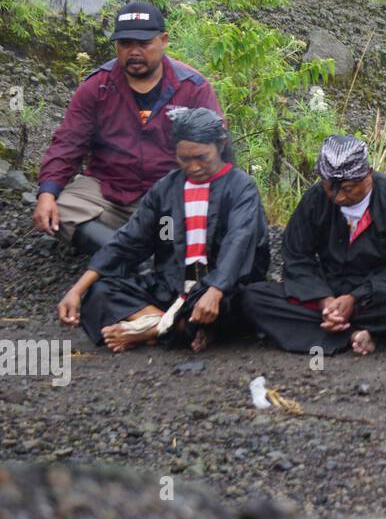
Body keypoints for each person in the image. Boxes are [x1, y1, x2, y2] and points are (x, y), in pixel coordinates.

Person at [56, 107, 269, 353]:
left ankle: (150, 328)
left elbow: (239, 242)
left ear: (221, 145)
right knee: (101, 291)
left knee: (244, 303)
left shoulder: (241, 187)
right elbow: (128, 240)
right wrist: (76, 290)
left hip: (222, 287)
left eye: (202, 157)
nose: (194, 167)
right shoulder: (166, 188)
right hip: (176, 284)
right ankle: (171, 326)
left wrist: (216, 289)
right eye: (184, 159)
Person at [34, 0, 224, 254]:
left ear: (163, 40)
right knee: (63, 209)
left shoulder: (192, 87)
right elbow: (68, 143)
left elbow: (216, 149)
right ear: (116, 45)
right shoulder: (96, 86)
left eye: (144, 44)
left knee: (200, 221)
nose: (134, 52)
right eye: (125, 44)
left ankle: (127, 251)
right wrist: (47, 193)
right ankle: (130, 256)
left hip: (168, 193)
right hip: (108, 190)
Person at [240, 135, 386, 357]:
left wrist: (355, 297)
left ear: (367, 175)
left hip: (374, 295)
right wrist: (325, 301)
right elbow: (296, 257)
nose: (338, 197)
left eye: (348, 189)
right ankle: (357, 335)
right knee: (252, 297)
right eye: (331, 188)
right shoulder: (316, 199)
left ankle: (324, 331)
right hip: (328, 291)